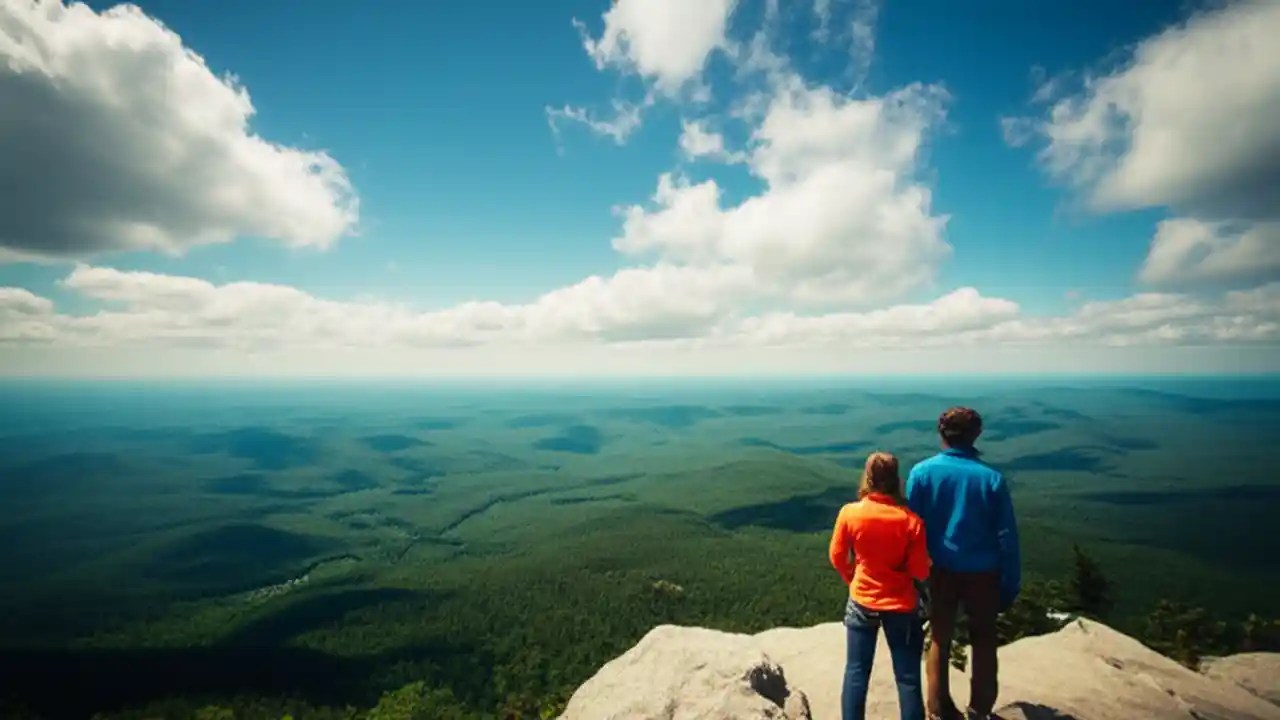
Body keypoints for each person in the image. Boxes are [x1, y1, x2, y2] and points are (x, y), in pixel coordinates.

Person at [905, 407, 1021, 720]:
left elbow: (911, 530)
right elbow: (1007, 538)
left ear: (941, 434)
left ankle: (938, 709)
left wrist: (913, 578)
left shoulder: (921, 474)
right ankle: (979, 711)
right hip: (984, 573)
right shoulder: (992, 480)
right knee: (983, 640)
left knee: (941, 638)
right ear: (975, 435)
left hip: (938, 570)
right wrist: (1010, 584)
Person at [829, 452, 932, 720]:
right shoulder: (911, 522)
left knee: (856, 671)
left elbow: (837, 556)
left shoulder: (850, 513)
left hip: (862, 599)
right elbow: (921, 570)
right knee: (907, 678)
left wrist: (852, 577)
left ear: (868, 478)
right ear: (897, 480)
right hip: (901, 603)